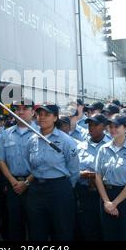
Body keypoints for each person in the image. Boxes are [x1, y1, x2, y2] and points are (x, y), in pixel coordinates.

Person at [25, 103, 79, 241]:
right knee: (37, 231)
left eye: (47, 115)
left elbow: (73, 169)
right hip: (36, 189)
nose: (42, 118)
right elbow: (29, 164)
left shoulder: (66, 140)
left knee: (62, 230)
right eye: (39, 114)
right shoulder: (32, 140)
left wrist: (64, 187)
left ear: (55, 118)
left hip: (59, 189)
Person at [0, 99, 37, 241]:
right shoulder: (6, 134)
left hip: (35, 186)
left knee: (36, 226)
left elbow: (43, 163)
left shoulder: (40, 133)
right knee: (15, 226)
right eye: (17, 109)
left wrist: (27, 182)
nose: (21, 112)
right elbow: (0, 160)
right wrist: (12, 182)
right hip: (14, 186)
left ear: (33, 111)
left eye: (25, 108)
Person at [74, 114, 111, 240]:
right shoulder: (80, 147)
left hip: (106, 193)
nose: (91, 128)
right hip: (85, 192)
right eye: (90, 125)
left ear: (104, 127)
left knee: (106, 228)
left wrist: (96, 176)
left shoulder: (111, 145)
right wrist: (83, 174)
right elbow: (73, 170)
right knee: (88, 228)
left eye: (96, 125)